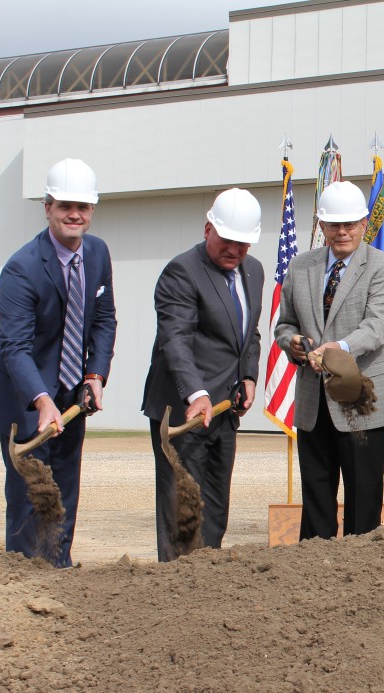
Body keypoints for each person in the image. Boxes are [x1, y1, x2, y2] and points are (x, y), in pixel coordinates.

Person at [0, 158, 117, 567]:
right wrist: (41, 400)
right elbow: (14, 348)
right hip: (22, 391)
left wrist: (94, 374)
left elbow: (104, 319)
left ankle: (59, 566)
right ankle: (24, 578)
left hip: (72, 386)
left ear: (92, 209)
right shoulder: (21, 269)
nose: (75, 214)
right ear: (48, 207)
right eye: (65, 206)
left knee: (66, 483)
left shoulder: (96, 252)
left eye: (83, 207)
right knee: (30, 493)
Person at [141, 189, 264, 561]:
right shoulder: (182, 272)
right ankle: (177, 586)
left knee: (215, 506)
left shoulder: (253, 271)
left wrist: (249, 377)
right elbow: (175, 340)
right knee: (183, 509)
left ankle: (207, 583)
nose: (236, 251)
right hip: (184, 414)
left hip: (225, 412)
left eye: (244, 245)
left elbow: (249, 335)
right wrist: (196, 393)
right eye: (228, 242)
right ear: (208, 228)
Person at [274, 181, 384, 539]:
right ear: (321, 225)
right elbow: (284, 324)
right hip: (314, 404)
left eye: (350, 224)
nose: (342, 232)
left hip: (363, 400)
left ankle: (361, 576)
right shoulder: (301, 267)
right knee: (316, 495)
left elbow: (379, 325)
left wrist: (337, 350)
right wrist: (293, 343)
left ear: (364, 224)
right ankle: (314, 570)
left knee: (364, 496)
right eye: (334, 225)